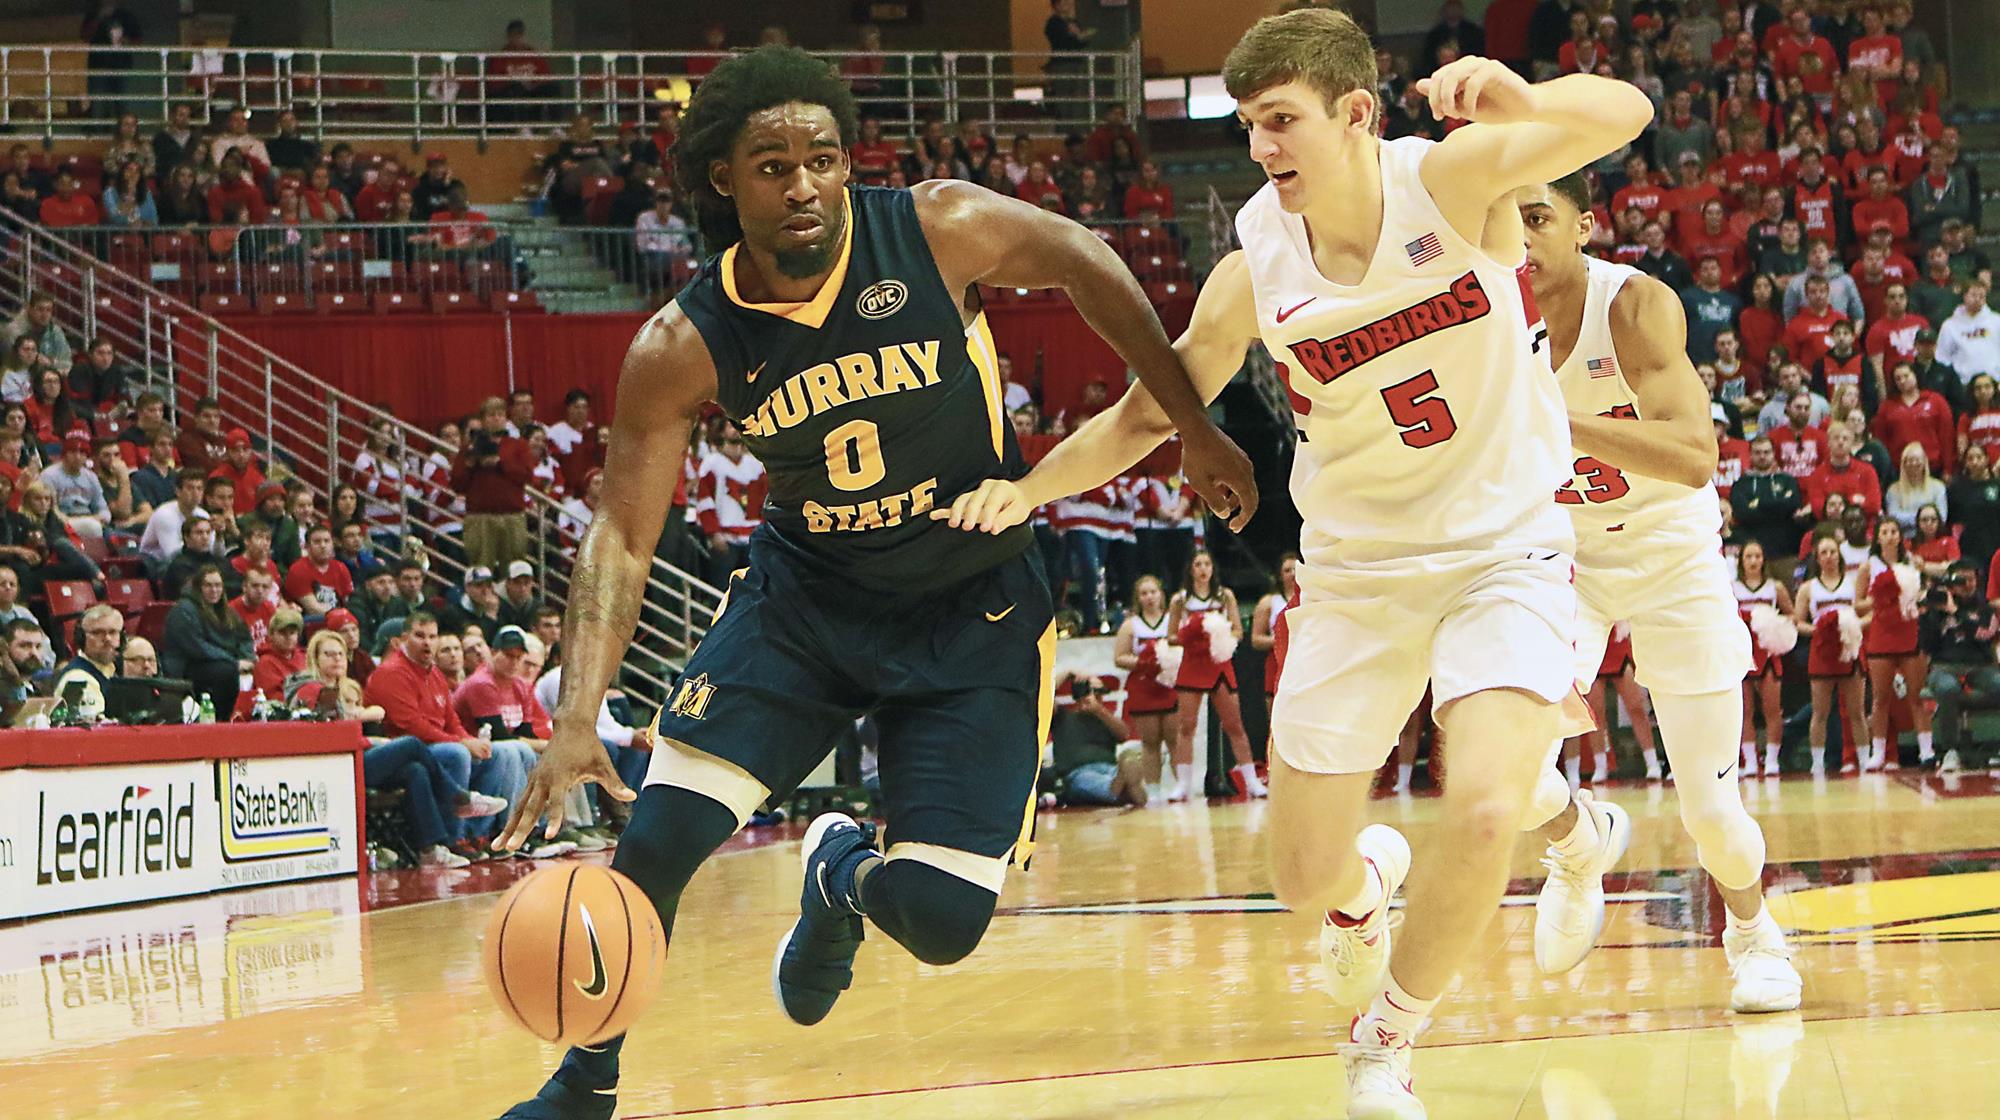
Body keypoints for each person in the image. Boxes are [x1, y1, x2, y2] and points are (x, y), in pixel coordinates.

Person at [491, 45, 1254, 1120]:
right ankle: (586, 1079)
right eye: (771, 165)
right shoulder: (683, 343)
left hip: (972, 604)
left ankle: (838, 873)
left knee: (941, 922)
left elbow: (1084, 257)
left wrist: (1194, 426)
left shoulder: (935, 227)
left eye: (823, 159)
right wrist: (577, 714)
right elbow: (620, 534)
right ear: (722, 179)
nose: (803, 184)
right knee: (654, 841)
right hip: (807, 602)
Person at [933, 14, 1649, 1113]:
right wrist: (1027, 488)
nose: (1262, 146)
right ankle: (1391, 892)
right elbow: (1147, 411)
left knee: (1478, 806)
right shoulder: (1251, 264)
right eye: (1249, 127)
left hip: (1502, 547)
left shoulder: (1450, 184)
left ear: (1354, 114)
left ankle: (1386, 1036)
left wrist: (1511, 87)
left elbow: (1623, 112)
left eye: (1281, 121)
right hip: (1357, 574)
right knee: (1303, 878)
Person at [1507, 173, 1798, 1007]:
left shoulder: (1634, 306)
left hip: (1673, 550)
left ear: (1583, 228)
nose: (1520, 237)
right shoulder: (1483, 321)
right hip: (1562, 553)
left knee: (1709, 810)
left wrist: (1559, 424)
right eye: (1507, 222)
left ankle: (1754, 934)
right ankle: (1578, 844)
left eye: (1538, 218)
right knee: (1504, 765)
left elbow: (1696, 455)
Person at [1164, 549, 1261, 799]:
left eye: (1207, 564)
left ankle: (1252, 782)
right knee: (1186, 726)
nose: (1203, 569)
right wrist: (1191, 634)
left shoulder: (1224, 596)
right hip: (1192, 664)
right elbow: (1171, 637)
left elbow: (1239, 631)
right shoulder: (1180, 600)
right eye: (1198, 564)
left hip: (1219, 664)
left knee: (1234, 724)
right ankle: (1183, 785)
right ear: (1191, 570)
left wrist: (1219, 636)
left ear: (1213, 569)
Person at [1858, 517, 1931, 770]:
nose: (1890, 536)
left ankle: (1926, 750)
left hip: (1908, 630)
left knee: (1916, 695)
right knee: (1880, 698)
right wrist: (1881, 596)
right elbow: (1857, 604)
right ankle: (1877, 753)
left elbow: (1923, 595)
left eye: (1894, 531)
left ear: (1900, 536)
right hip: (1881, 633)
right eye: (1885, 532)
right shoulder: (1869, 567)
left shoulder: (1912, 563)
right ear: (1877, 538)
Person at [1795, 536, 1869, 775]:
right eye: (1824, 553)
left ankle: (1865, 761)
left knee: (1856, 711)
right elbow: (1798, 622)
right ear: (1817, 558)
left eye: (1833, 552)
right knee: (1820, 711)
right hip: (1822, 651)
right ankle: (1817, 762)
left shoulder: (1853, 582)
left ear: (1840, 555)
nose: (1829, 557)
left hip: (1849, 649)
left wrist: (1855, 625)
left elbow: (1869, 613)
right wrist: (1817, 630)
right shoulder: (1808, 588)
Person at [1923, 561, 2000, 770]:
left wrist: (1955, 612)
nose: (1967, 584)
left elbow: (1984, 635)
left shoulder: (1985, 609)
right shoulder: (1937, 607)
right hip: (1944, 667)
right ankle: (1950, 750)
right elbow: (1927, 645)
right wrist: (1929, 614)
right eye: (1960, 580)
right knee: (1948, 688)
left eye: (1971, 579)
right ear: (1951, 583)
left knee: (1998, 683)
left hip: (1979, 667)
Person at [1111, 574, 1178, 796]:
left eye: (1153, 592)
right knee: (1150, 742)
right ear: (1138, 598)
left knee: (1175, 739)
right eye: (1144, 593)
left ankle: (1182, 788)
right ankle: (1154, 791)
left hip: (1170, 685)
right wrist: (1143, 662)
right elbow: (1119, 657)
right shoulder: (1131, 625)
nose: (1149, 597)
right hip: (1143, 686)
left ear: (1161, 595)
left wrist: (1169, 659)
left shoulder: (1172, 620)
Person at [160, 562, 253, 714]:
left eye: (218, 585)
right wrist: (235, 662)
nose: (214, 590)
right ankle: (221, 718)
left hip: (217, 661)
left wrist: (248, 657)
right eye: (208, 585)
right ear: (198, 587)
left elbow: (244, 637)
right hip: (187, 666)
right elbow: (198, 648)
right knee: (226, 671)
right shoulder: (183, 610)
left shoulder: (226, 611)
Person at [1049, 671, 1147, 807]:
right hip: (1078, 772)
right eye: (1094, 692)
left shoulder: (1106, 718)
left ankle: (1124, 786)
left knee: (1123, 768)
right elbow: (1044, 696)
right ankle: (1126, 789)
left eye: (1100, 693)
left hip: (1110, 768)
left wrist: (1099, 711)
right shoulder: (1063, 717)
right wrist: (1067, 673)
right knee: (1090, 781)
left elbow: (1124, 734)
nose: (1098, 697)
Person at [52, 603, 122, 714]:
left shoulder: (114, 670)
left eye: (113, 632)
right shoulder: (77, 678)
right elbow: (94, 727)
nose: (107, 638)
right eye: (98, 633)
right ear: (81, 638)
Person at [1884, 440, 1948, 532]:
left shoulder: (1938, 487)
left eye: (1917, 460)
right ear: (1903, 464)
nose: (1914, 463)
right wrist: (1924, 518)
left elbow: (1942, 517)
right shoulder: (1893, 490)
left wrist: (1910, 518)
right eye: (1909, 460)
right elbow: (1893, 517)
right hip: (1905, 539)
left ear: (1924, 462)